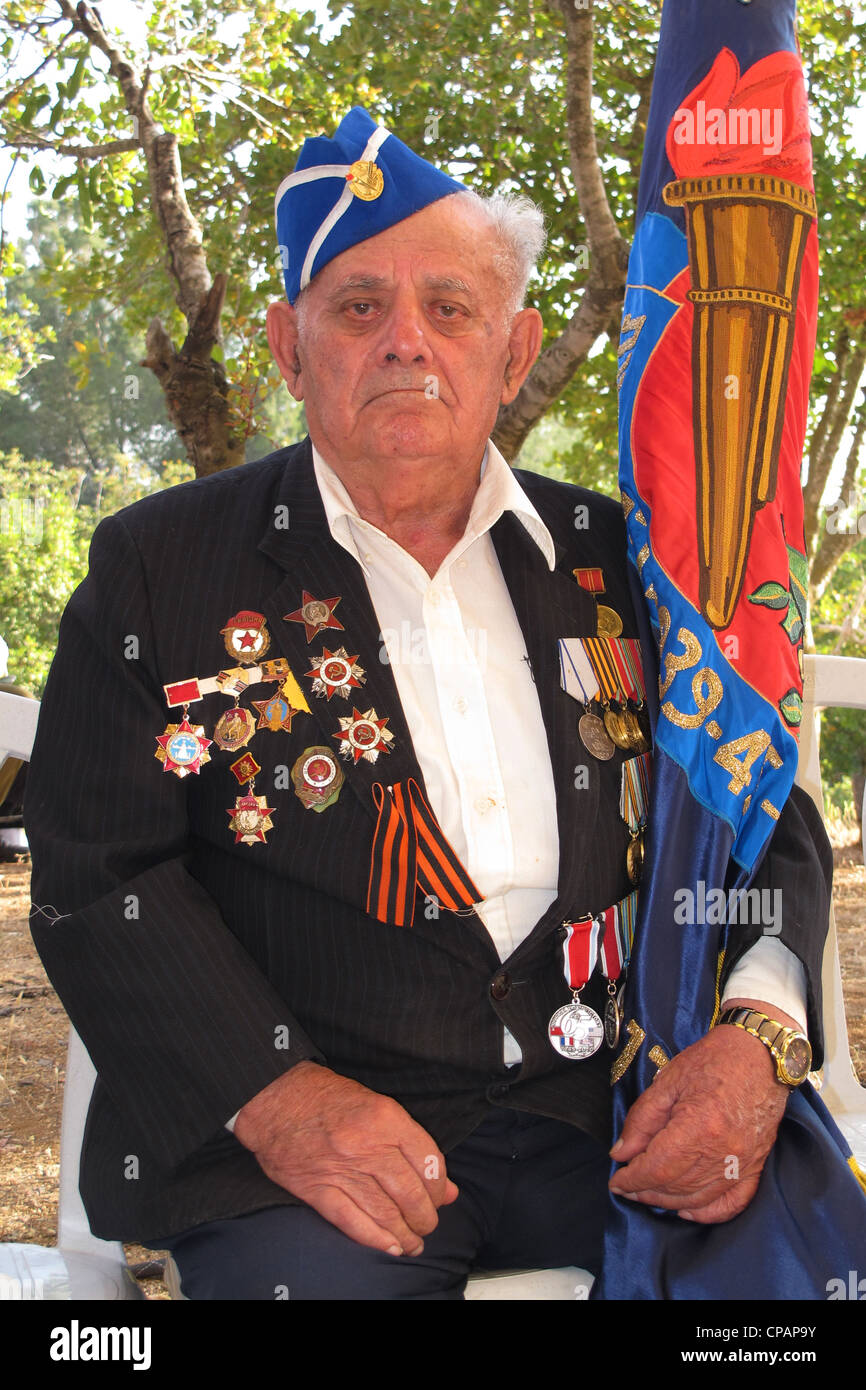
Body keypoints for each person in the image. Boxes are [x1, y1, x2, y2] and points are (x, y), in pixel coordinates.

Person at [25, 108, 831, 1300]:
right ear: (289, 350)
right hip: (307, 1146)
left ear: (511, 353)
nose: (407, 342)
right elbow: (99, 876)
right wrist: (279, 1096)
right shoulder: (159, 567)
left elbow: (762, 813)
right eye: (357, 307)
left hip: (610, 1103)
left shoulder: (624, 565)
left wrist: (755, 1038)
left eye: (448, 309)